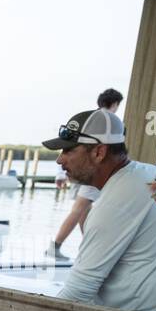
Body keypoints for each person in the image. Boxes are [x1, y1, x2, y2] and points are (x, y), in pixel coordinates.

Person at [42, 108, 156, 311]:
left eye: (68, 151)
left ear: (99, 152)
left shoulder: (116, 203)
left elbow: (77, 294)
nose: (60, 160)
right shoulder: (152, 174)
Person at [49, 88, 123, 260]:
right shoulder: (109, 125)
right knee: (79, 209)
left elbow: (67, 149)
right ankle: (58, 245)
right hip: (91, 174)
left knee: (83, 211)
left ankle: (88, 248)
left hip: (80, 175)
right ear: (115, 104)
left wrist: (60, 174)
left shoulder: (86, 120)